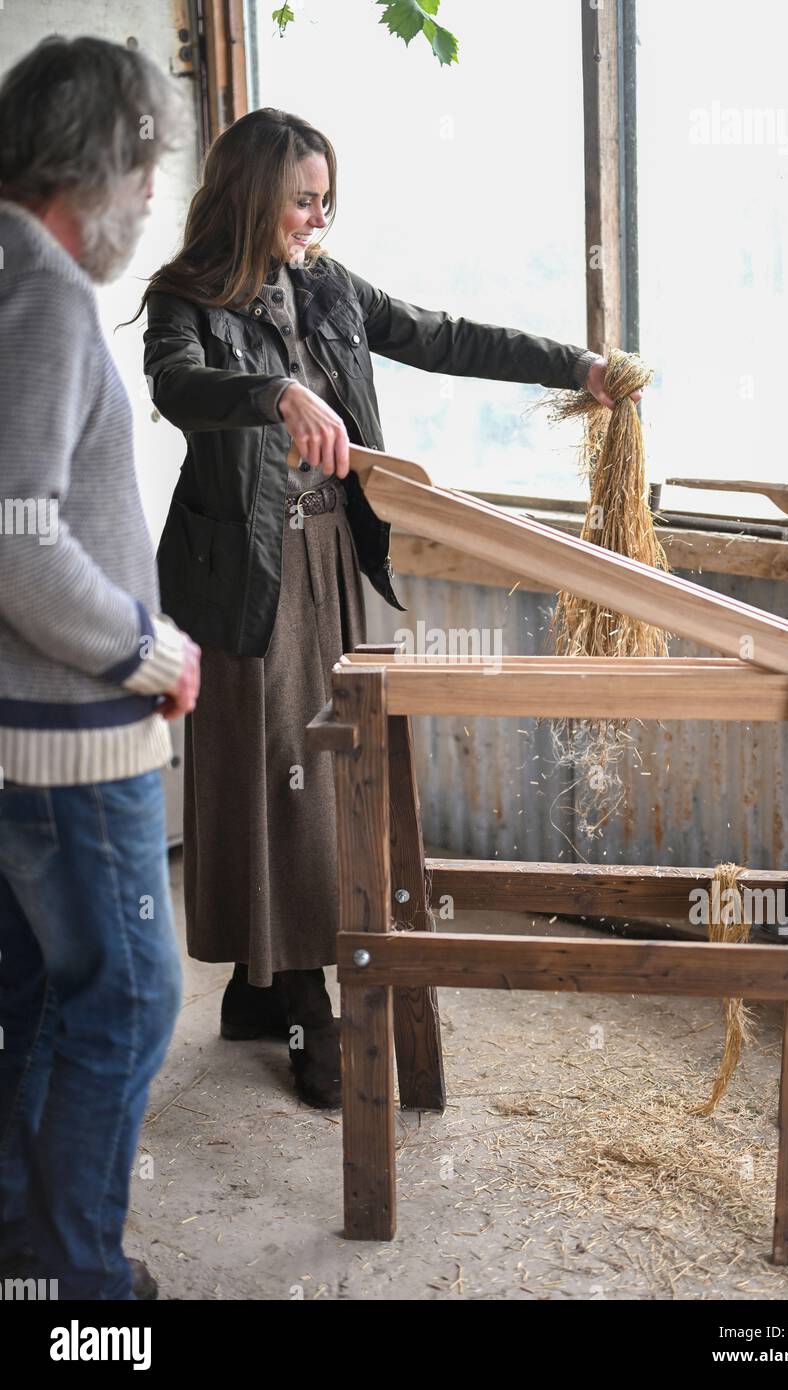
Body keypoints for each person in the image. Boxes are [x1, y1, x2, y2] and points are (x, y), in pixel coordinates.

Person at [139, 107, 641, 1110]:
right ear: (248, 193)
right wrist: (277, 393)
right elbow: (179, 385)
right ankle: (303, 997)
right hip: (243, 567)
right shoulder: (184, 296)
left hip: (333, 555)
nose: (315, 219)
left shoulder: (330, 286)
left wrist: (574, 367)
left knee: (322, 768)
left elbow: (442, 336)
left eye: (326, 200)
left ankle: (257, 983)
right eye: (300, 199)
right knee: (272, 776)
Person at [0, 36, 200, 1301]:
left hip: (28, 735)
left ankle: (28, 1262)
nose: (147, 201)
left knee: (40, 1002)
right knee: (128, 1002)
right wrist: (146, 644)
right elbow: (17, 537)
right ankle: (81, 1299)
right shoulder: (48, 296)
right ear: (101, 162)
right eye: (145, 171)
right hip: (73, 736)